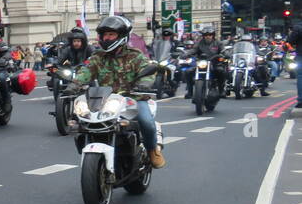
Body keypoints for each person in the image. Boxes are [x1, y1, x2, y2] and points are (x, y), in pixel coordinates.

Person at [62, 15, 165, 168]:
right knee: (82, 121)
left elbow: (147, 72)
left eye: (111, 34)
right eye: (105, 34)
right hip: (107, 100)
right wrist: (74, 85)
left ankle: (152, 151)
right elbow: (86, 71)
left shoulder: (135, 55)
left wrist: (144, 84)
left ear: (122, 36)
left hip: (134, 98)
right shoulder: (98, 56)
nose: (107, 38)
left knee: (146, 122)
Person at [190, 28, 226, 99]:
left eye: (210, 35)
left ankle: (221, 90)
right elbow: (193, 50)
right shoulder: (199, 43)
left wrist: (225, 54)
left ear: (213, 35)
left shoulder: (218, 43)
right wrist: (186, 54)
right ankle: (190, 91)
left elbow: (223, 50)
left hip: (215, 63)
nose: (208, 36)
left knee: (221, 71)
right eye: (206, 35)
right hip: (202, 63)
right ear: (203, 36)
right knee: (188, 72)